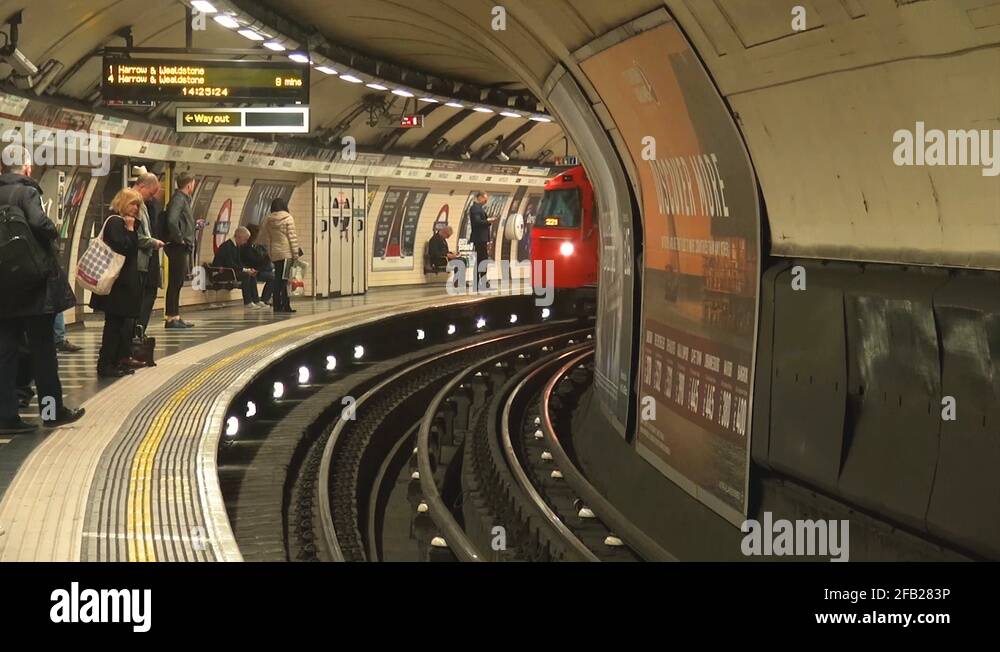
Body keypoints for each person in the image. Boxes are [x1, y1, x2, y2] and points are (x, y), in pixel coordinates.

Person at [0, 144, 85, 433]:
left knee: (5, 353)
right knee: (43, 352)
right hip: (33, 287)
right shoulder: (27, 191)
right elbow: (39, 223)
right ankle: (51, 412)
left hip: (3, 288)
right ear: (26, 168)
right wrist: (52, 231)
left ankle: (6, 417)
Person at [90, 189, 144, 378]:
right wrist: (130, 230)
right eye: (132, 204)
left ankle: (113, 362)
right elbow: (126, 248)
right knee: (113, 326)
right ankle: (105, 364)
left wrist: (132, 228)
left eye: (138, 205)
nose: (135, 208)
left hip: (122, 284)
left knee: (118, 325)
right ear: (122, 203)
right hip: (115, 285)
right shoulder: (115, 222)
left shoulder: (128, 224)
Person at [131, 171, 164, 335]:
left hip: (145, 259)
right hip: (138, 260)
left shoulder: (144, 205)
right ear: (142, 186)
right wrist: (153, 242)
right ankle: (137, 331)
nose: (151, 198)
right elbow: (136, 236)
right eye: (150, 193)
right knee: (141, 298)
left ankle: (138, 330)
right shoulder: (132, 204)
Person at [162, 171, 196, 329]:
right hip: (177, 246)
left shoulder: (183, 200)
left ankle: (175, 315)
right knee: (175, 281)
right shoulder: (179, 199)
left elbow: (179, 221)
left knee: (178, 281)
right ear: (189, 184)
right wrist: (180, 239)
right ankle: (171, 317)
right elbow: (171, 220)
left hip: (180, 245)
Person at [257, 197, 300, 313]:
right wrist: (295, 254)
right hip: (286, 253)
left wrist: (270, 253)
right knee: (284, 280)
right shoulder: (288, 218)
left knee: (277, 279)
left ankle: (278, 305)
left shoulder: (268, 219)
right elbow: (292, 237)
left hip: (275, 253)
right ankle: (285, 305)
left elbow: (266, 237)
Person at [212, 226, 264, 308]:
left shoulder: (236, 246)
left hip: (230, 271)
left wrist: (248, 269)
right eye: (245, 239)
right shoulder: (227, 246)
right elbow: (230, 264)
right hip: (221, 273)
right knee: (246, 275)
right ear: (239, 237)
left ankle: (256, 300)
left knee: (251, 275)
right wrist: (245, 271)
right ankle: (248, 302)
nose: (246, 242)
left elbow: (238, 263)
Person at [468, 192, 495, 287]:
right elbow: (477, 222)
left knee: (481, 259)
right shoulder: (475, 208)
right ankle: (482, 280)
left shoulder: (479, 208)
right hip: (479, 238)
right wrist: (488, 221)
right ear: (479, 197)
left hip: (481, 238)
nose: (486, 201)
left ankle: (480, 280)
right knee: (482, 259)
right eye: (485, 198)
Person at [246, 224, 275, 306]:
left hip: (261, 269)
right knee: (272, 277)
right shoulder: (247, 247)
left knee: (274, 276)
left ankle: (265, 299)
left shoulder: (259, 246)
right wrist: (266, 258)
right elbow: (253, 261)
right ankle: (260, 300)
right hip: (255, 270)